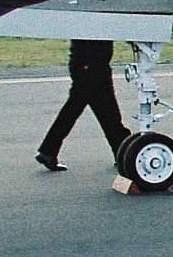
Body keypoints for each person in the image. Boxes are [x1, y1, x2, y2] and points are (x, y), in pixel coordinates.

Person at [37, 39, 132, 171]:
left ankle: (122, 151)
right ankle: (123, 152)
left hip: (93, 66)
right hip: (90, 67)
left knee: (106, 112)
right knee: (82, 111)